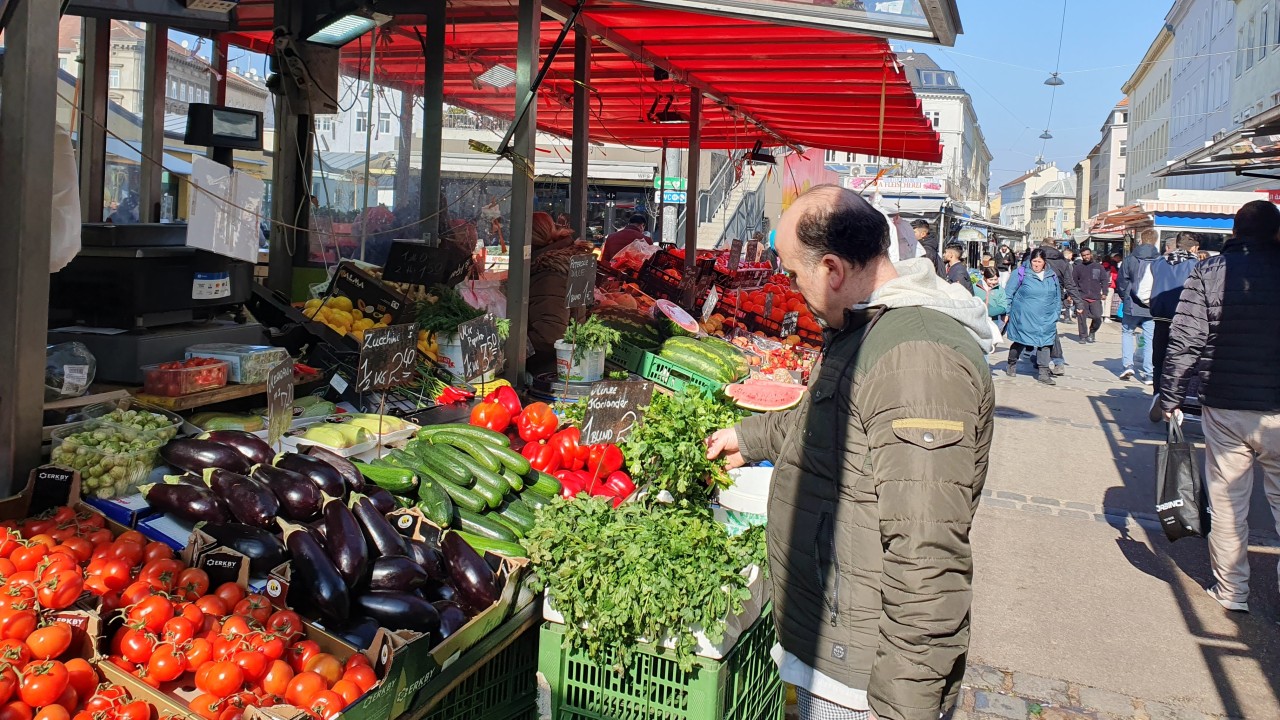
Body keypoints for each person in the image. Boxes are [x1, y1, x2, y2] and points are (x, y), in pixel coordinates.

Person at [704, 185, 994, 720]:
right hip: (835, 638)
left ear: (832, 270)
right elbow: (829, 417)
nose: (793, 286)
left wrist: (902, 706)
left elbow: (927, 555)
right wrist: (749, 439)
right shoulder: (869, 326)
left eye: (794, 274)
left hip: (863, 681)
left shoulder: (916, 360)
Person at [1160, 200, 1280, 614]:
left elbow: (1185, 339)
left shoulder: (1209, 273)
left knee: (1229, 503)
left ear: (1235, 231)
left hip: (1224, 402)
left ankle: (1233, 591)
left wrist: (1171, 395)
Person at [527, 212, 596, 374]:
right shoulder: (570, 259)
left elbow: (550, 335)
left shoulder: (548, 274)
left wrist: (510, 345)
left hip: (549, 368)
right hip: (570, 363)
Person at [1148, 232, 1200, 396]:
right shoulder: (1195, 265)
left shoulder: (1158, 263)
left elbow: (1143, 289)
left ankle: (1157, 393)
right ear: (1194, 247)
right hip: (1184, 320)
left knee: (1159, 361)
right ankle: (1172, 396)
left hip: (1160, 317)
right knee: (1179, 361)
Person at [1005, 248, 1064, 385]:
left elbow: (1057, 296)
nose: (1036, 264)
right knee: (1020, 341)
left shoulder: (1052, 276)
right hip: (1024, 317)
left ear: (1044, 262)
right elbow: (1008, 294)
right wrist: (1007, 312)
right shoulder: (1020, 273)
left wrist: (1056, 313)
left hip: (1046, 318)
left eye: (1039, 261)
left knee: (1045, 343)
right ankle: (1012, 363)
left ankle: (1043, 373)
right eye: (1034, 261)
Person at [1117, 230, 1161, 384]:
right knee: (1150, 338)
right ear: (1155, 241)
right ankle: (1149, 372)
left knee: (1127, 332)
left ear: (1141, 240)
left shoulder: (1130, 259)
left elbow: (1122, 282)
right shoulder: (1160, 260)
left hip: (1132, 304)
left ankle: (1128, 365)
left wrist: (1125, 297)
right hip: (1152, 305)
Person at [1036, 239, 1082, 376]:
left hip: (1035, 298)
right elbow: (1070, 284)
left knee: (1044, 330)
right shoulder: (1063, 262)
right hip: (1054, 299)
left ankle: (1055, 361)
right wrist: (1078, 302)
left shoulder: (1034, 258)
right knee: (1048, 329)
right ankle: (1049, 360)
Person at [1071, 248, 1111, 343]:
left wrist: (1105, 292)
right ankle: (1083, 336)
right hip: (1082, 297)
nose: (1086, 257)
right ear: (1081, 256)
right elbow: (1074, 283)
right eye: (1084, 255)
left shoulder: (1098, 267)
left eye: (1087, 254)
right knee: (1081, 318)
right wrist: (1072, 295)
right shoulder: (1078, 268)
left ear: (1091, 254)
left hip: (1095, 296)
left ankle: (1092, 332)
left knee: (1097, 317)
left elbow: (1104, 280)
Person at [974, 266, 1009, 334]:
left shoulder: (1000, 290)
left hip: (993, 322)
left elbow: (1003, 306)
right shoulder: (975, 287)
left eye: (995, 279)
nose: (993, 282)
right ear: (985, 278)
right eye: (991, 279)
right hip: (977, 321)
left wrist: (989, 311)